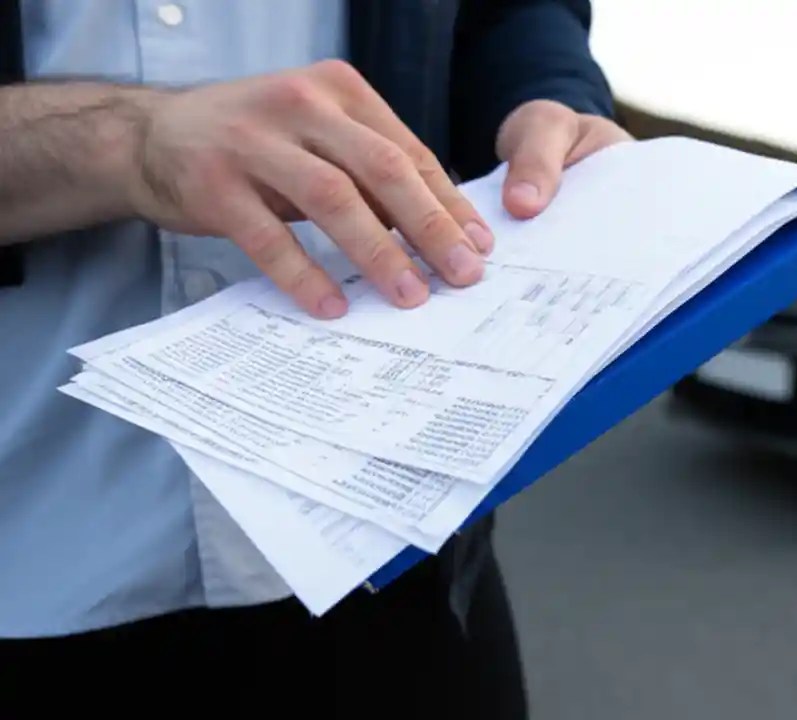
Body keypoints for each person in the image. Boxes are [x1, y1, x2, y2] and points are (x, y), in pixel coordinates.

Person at [0, 0, 630, 715]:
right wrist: (121, 140)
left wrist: (543, 95)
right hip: (28, 570)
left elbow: (505, 15)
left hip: (399, 556)